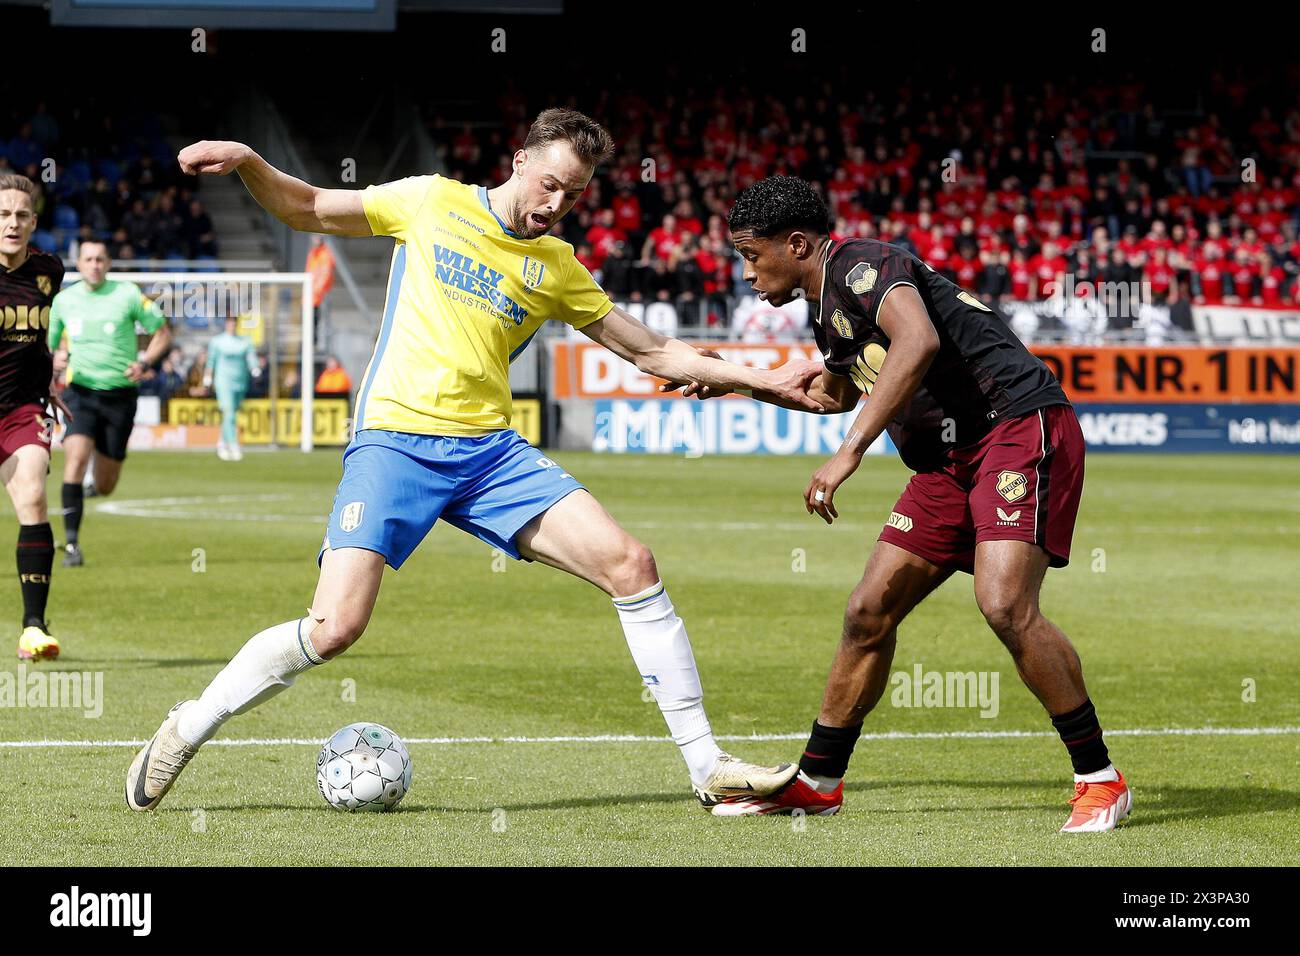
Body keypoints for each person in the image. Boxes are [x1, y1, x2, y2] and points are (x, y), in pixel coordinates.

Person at [125, 109, 822, 813]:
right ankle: (188, 728)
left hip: (489, 453)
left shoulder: (556, 265)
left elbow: (647, 351)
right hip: (395, 439)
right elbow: (307, 206)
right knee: (334, 628)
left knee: (631, 565)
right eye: (551, 184)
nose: (557, 204)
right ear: (519, 163)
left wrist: (766, 379)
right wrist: (250, 159)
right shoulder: (432, 200)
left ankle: (707, 767)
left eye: (575, 196)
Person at [690, 176, 1130, 832]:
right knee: (869, 611)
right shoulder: (826, 308)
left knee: (1005, 603)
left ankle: (1101, 779)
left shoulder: (865, 266)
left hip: (1014, 424)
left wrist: (849, 455)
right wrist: (736, 382)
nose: (746, 272)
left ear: (798, 244)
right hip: (947, 461)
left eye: (753, 256)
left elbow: (917, 342)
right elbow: (835, 395)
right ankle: (818, 781)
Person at [48, 241, 172, 567]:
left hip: (120, 396)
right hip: (79, 392)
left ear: (109, 262)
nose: (94, 265)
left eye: (100, 259)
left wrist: (145, 363)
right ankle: (72, 545)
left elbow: (162, 333)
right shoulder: (63, 301)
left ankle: (95, 482)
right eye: (88, 259)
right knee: (74, 460)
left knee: (106, 485)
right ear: (79, 262)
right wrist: (55, 358)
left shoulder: (128, 294)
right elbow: (48, 347)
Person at [0, 174, 67, 660]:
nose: (12, 223)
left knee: (34, 494)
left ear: (34, 221)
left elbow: (38, 340)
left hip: (22, 408)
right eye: (3, 214)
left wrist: (50, 380)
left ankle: (33, 628)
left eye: (21, 214)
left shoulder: (49, 270)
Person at [204, 315, 257, 461]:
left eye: (234, 322)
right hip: (223, 381)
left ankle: (222, 443)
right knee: (228, 412)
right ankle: (234, 445)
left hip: (240, 381)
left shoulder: (245, 341)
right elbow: (211, 360)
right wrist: (207, 377)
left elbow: (251, 357)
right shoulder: (217, 341)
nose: (231, 325)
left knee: (231, 413)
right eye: (229, 322)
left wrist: (255, 368)